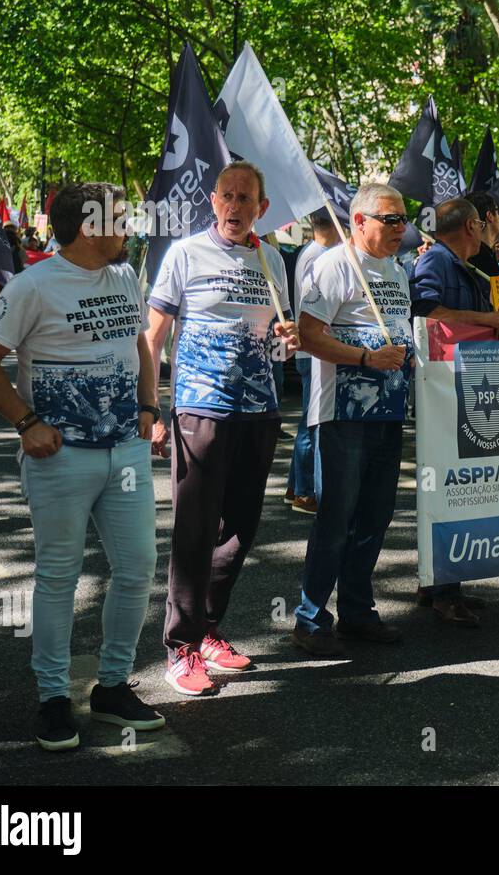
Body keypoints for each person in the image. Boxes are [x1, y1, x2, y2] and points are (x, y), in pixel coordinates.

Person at [0, 182, 165, 749]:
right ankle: (53, 699)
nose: (129, 227)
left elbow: (141, 344)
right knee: (59, 576)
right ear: (88, 228)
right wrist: (26, 423)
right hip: (60, 457)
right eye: (120, 219)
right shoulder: (34, 285)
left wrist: (149, 406)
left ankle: (113, 686)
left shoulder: (125, 277)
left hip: (125, 451)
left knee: (136, 569)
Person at [144, 161, 300, 696]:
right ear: (213, 202)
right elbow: (155, 336)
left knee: (239, 532)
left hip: (259, 413)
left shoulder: (271, 258)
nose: (235, 206)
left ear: (262, 207)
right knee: (194, 531)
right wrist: (154, 407)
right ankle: (180, 648)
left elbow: (279, 343)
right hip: (200, 411)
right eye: (226, 196)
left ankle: (209, 630)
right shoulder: (185, 254)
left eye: (245, 198)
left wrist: (288, 341)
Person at [290, 183, 412, 655]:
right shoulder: (332, 265)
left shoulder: (398, 271)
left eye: (403, 218)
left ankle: (357, 612)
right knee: (336, 517)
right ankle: (309, 616)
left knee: (375, 516)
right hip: (341, 414)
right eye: (391, 219)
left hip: (389, 413)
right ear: (359, 221)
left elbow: (398, 334)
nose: (401, 227)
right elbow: (307, 335)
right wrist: (366, 359)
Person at [411, 198, 499, 626]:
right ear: (472, 225)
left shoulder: (466, 266)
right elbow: (426, 312)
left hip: (469, 386)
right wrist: (483, 318)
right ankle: (442, 590)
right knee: (448, 490)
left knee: (461, 491)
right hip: (444, 394)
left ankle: (440, 581)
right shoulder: (435, 260)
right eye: (484, 224)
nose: (489, 230)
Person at [286, 208, 340, 515]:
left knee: (309, 418)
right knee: (312, 422)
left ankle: (296, 485)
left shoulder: (313, 253)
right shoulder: (318, 257)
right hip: (312, 350)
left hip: (311, 348)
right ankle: (305, 494)